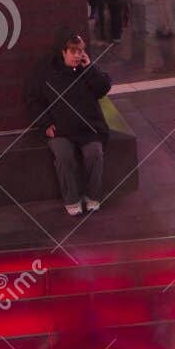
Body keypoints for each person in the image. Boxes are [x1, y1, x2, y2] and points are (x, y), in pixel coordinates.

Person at [27, 31, 113, 215]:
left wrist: (89, 68)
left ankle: (93, 196)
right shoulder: (48, 73)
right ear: (63, 52)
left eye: (80, 51)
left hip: (89, 127)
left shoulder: (86, 70)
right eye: (73, 51)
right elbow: (34, 100)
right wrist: (45, 124)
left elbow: (103, 88)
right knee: (64, 155)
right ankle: (71, 199)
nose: (77, 55)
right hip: (61, 129)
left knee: (94, 153)